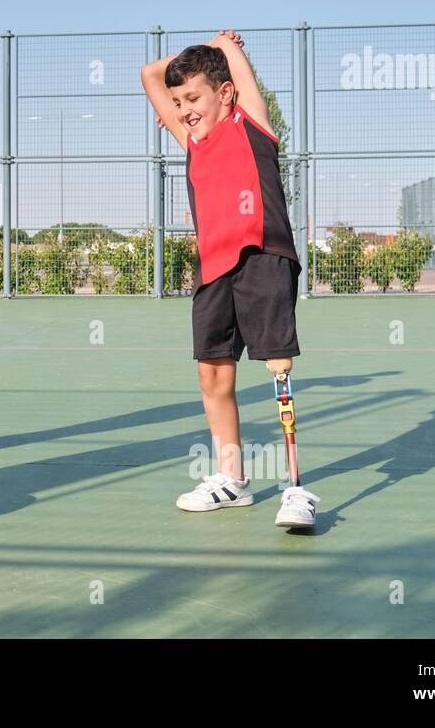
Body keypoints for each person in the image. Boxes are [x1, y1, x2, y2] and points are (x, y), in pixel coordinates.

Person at [141, 31, 320, 528]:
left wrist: (224, 48)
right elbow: (149, 75)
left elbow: (236, 73)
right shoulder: (191, 140)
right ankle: (232, 480)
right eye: (177, 103)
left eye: (193, 98)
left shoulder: (252, 124)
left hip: (263, 257)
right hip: (213, 268)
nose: (183, 109)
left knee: (277, 366)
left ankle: (295, 488)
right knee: (212, 373)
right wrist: (200, 51)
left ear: (225, 94)